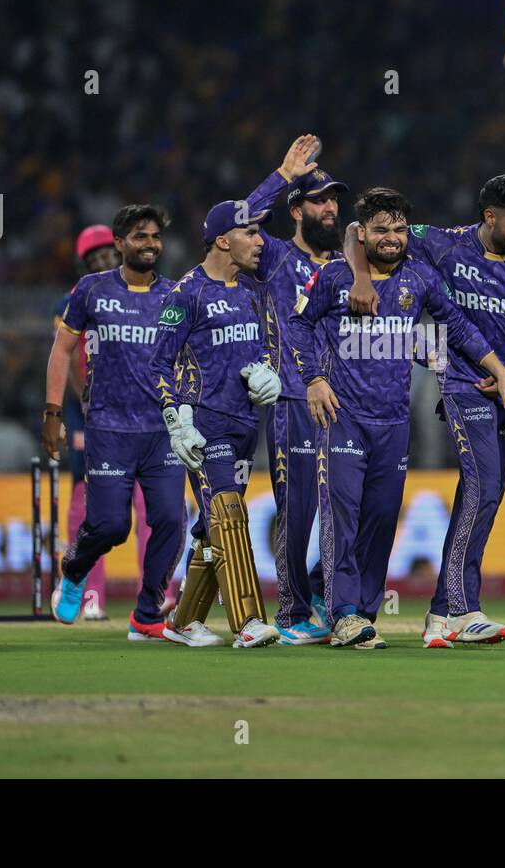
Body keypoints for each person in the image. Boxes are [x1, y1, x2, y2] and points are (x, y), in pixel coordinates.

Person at [290, 187, 505, 649]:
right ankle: (345, 614)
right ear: (364, 233)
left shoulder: (419, 279)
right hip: (343, 415)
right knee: (343, 516)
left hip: (393, 422)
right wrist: (314, 380)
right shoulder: (336, 277)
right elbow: (297, 324)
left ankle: (364, 612)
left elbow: (458, 327)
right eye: (381, 229)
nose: (392, 237)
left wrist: (502, 373)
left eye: (399, 229)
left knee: (380, 520)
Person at [345, 174, 505, 646]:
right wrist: (362, 276)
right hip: (465, 383)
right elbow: (355, 231)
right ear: (489, 217)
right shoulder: (442, 244)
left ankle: (441, 615)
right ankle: (464, 609)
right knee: (483, 487)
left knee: (483, 497)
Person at [154, 136, 320, 648]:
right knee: (228, 510)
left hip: (248, 426)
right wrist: (173, 418)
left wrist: (268, 369)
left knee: (211, 526)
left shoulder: (256, 287)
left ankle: (181, 623)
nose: (259, 241)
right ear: (223, 240)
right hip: (204, 424)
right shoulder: (186, 293)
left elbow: (263, 345)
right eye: (250, 233)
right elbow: (156, 362)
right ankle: (248, 621)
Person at [44, 205, 185, 643]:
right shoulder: (90, 291)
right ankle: (74, 570)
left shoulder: (176, 294)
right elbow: (62, 351)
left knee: (169, 521)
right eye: (139, 236)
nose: (150, 244)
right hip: (108, 428)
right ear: (121, 243)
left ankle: (146, 614)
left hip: (162, 429)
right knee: (110, 526)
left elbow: (192, 358)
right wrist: (52, 414)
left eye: (155, 236)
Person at [257, 147, 348, 644]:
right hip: (294, 400)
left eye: (334, 201)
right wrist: (282, 176)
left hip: (345, 404)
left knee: (350, 507)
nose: (330, 209)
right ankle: (290, 613)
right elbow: (238, 222)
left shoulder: (345, 265)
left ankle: (320, 591)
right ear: (296, 210)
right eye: (318, 201)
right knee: (296, 511)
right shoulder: (274, 257)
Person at [54, 225, 154, 621]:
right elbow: (63, 351)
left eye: (105, 255)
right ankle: (90, 595)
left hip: (144, 415)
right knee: (90, 506)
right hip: (94, 415)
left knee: (153, 510)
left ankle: (155, 592)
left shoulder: (153, 294)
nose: (101, 263)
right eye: (91, 260)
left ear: (119, 250)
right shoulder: (76, 297)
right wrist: (81, 401)